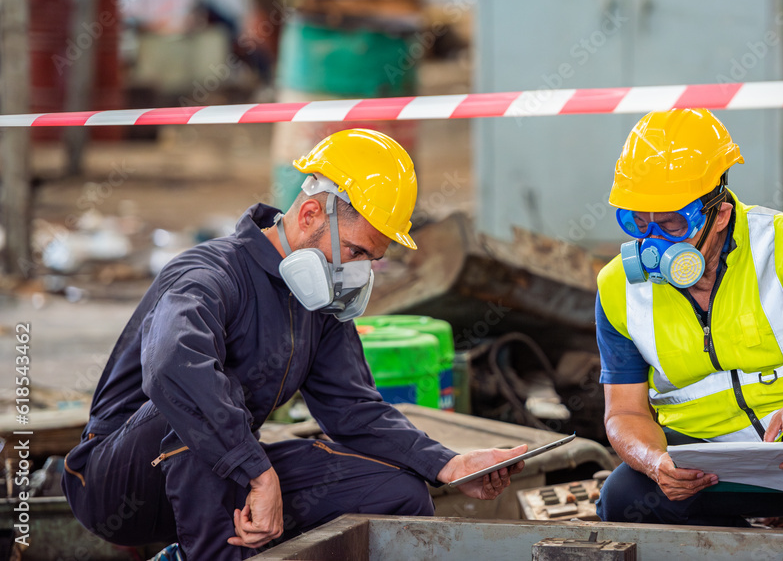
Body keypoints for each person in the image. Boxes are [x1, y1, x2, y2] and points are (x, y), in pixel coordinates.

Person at [62, 129, 526, 559]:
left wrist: (447, 464)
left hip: (211, 474)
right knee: (195, 393)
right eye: (358, 251)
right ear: (309, 215)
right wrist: (257, 473)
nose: (361, 271)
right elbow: (171, 367)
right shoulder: (209, 274)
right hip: (115, 482)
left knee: (398, 494)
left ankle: (196, 548)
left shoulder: (317, 299)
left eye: (373, 259)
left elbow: (353, 409)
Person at [594, 109, 783, 529]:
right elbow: (624, 414)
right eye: (637, 221)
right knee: (624, 497)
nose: (652, 244)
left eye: (671, 224)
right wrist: (656, 463)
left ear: (719, 215)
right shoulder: (618, 287)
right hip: (715, 473)